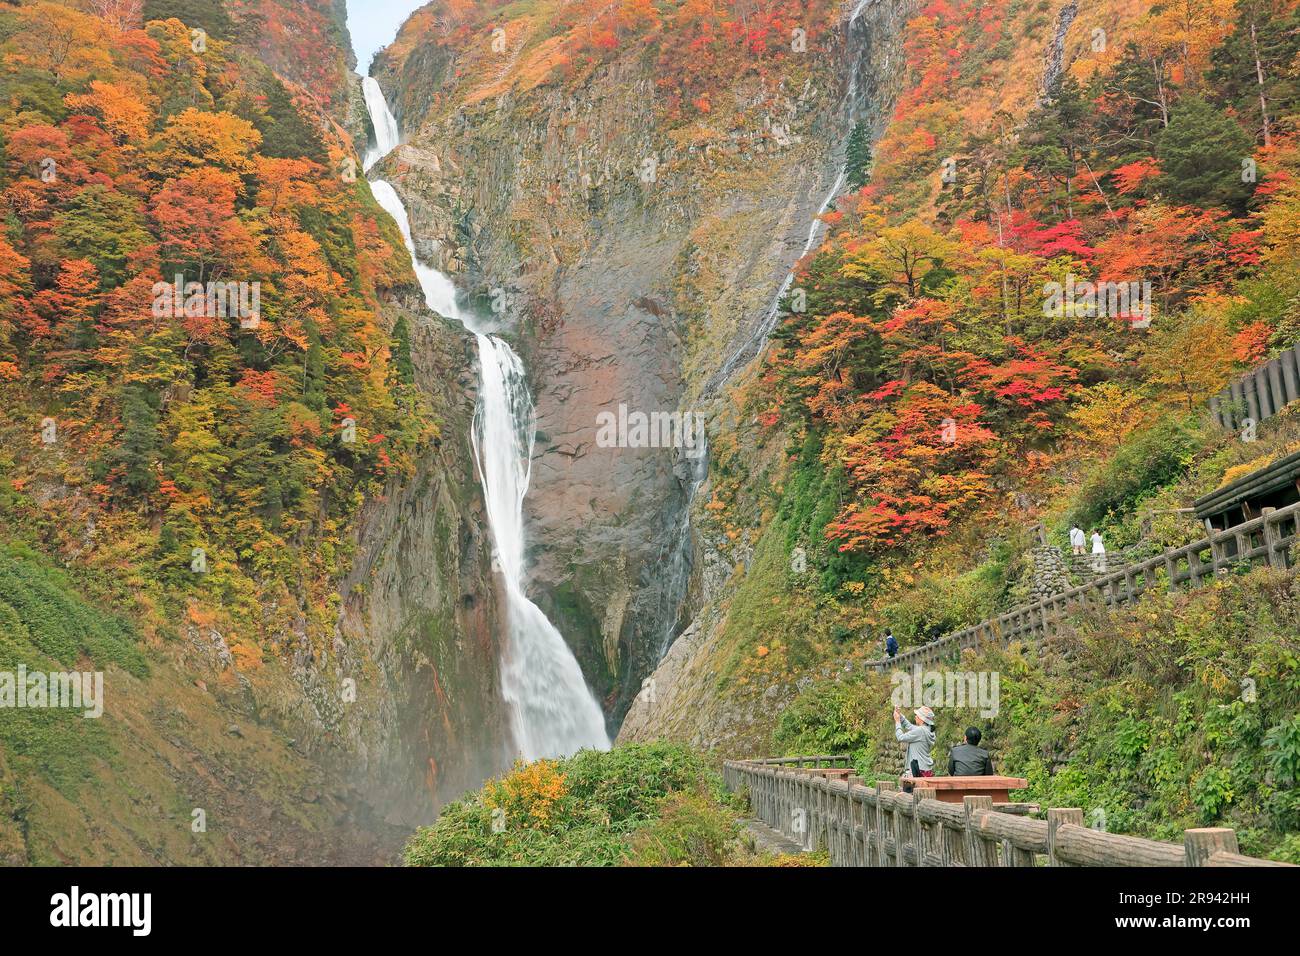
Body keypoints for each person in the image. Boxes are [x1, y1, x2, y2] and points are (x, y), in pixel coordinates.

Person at [894, 705, 935, 779]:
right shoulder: (927, 730)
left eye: (917, 715)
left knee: (911, 790)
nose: (915, 716)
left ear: (922, 719)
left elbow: (900, 737)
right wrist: (900, 715)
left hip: (916, 770)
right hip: (925, 770)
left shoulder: (920, 731)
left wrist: (897, 722)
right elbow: (909, 726)